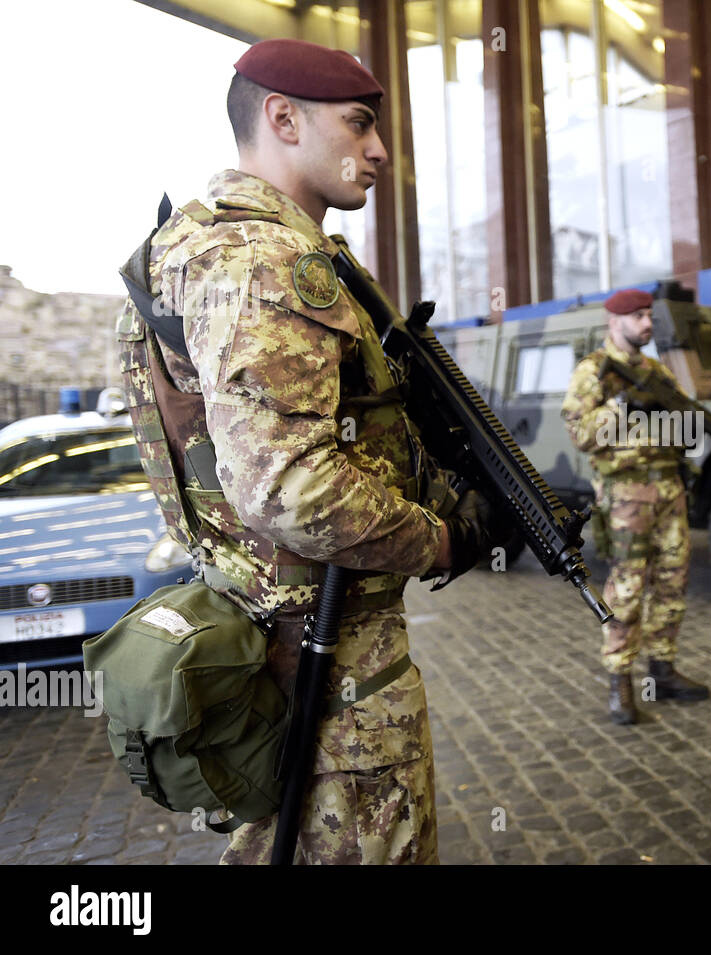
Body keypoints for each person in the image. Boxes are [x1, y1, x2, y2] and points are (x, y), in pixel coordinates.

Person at [120, 38, 497, 864]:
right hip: (333, 666)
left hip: (271, 638)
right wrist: (440, 537)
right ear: (282, 118)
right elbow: (290, 486)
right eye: (359, 124)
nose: (379, 150)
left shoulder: (194, 244)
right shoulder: (265, 260)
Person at [560, 289, 710, 724]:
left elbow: (683, 427)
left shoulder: (657, 371)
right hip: (626, 494)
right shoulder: (593, 371)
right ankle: (620, 679)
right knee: (627, 588)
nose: (648, 323)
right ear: (615, 321)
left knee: (672, 582)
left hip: (668, 489)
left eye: (649, 315)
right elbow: (581, 433)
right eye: (639, 316)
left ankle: (662, 670)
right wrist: (621, 407)